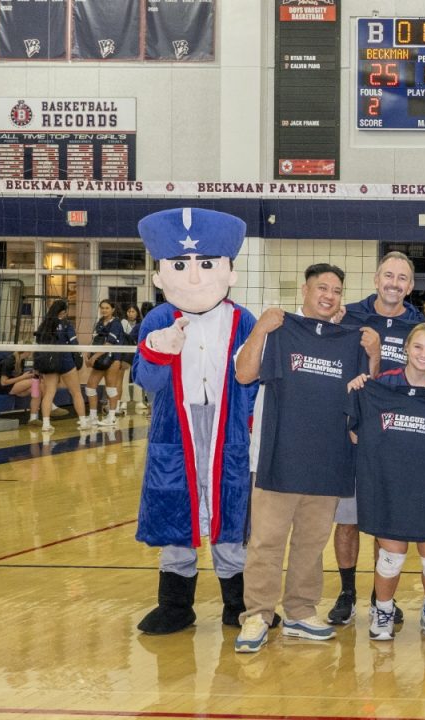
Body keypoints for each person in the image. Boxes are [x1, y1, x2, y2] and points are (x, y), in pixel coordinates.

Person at [131, 208, 258, 635]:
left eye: (206, 264)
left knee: (230, 512)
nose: (193, 274)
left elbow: (256, 380)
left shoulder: (244, 320)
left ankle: (236, 603)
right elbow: (145, 380)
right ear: (160, 275)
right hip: (175, 431)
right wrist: (158, 350)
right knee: (176, 510)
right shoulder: (158, 319)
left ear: (228, 272)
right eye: (180, 265)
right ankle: (175, 604)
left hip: (228, 430)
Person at [233, 263, 369, 652]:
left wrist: (371, 354)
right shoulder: (278, 332)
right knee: (267, 541)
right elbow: (243, 375)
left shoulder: (350, 341)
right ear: (305, 292)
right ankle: (257, 615)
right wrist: (260, 328)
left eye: (337, 290)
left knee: (312, 543)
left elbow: (365, 390)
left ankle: (299, 611)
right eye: (322, 287)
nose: (329, 295)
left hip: (328, 456)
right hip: (278, 455)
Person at [346, 323, 425, 640]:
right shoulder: (381, 385)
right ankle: (382, 612)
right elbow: (355, 433)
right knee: (391, 557)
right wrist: (358, 389)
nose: (424, 355)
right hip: (390, 483)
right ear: (406, 349)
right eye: (418, 347)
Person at [328, 251, 425, 627]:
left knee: (384, 519)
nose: (394, 284)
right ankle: (347, 592)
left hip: (394, 437)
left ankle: (380, 594)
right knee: (348, 519)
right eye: (389, 276)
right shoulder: (348, 316)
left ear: (411, 286)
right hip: (351, 432)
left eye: (402, 278)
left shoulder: (419, 325)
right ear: (375, 278)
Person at [32, 299, 89, 433]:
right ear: (63, 311)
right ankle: (83, 422)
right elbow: (74, 345)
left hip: (49, 362)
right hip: (65, 361)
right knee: (76, 392)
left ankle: (46, 424)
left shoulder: (44, 325)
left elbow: (38, 345)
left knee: (49, 393)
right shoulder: (66, 325)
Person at [82, 299, 123, 426]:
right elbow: (95, 340)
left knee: (110, 388)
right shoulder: (99, 322)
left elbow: (109, 343)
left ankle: (111, 417)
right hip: (100, 358)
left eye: (107, 308)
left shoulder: (116, 323)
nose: (104, 310)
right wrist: (88, 354)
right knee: (90, 387)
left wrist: (94, 357)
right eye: (102, 308)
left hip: (113, 358)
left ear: (113, 310)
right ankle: (93, 416)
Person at [0, 351, 38, 419]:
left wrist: (26, 377)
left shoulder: (21, 361)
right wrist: (23, 377)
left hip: (13, 386)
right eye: (30, 351)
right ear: (26, 352)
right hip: (2, 388)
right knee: (35, 382)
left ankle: (34, 416)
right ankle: (44, 409)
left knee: (36, 387)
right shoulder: (9, 361)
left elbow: (16, 377)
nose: (31, 353)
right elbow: (3, 382)